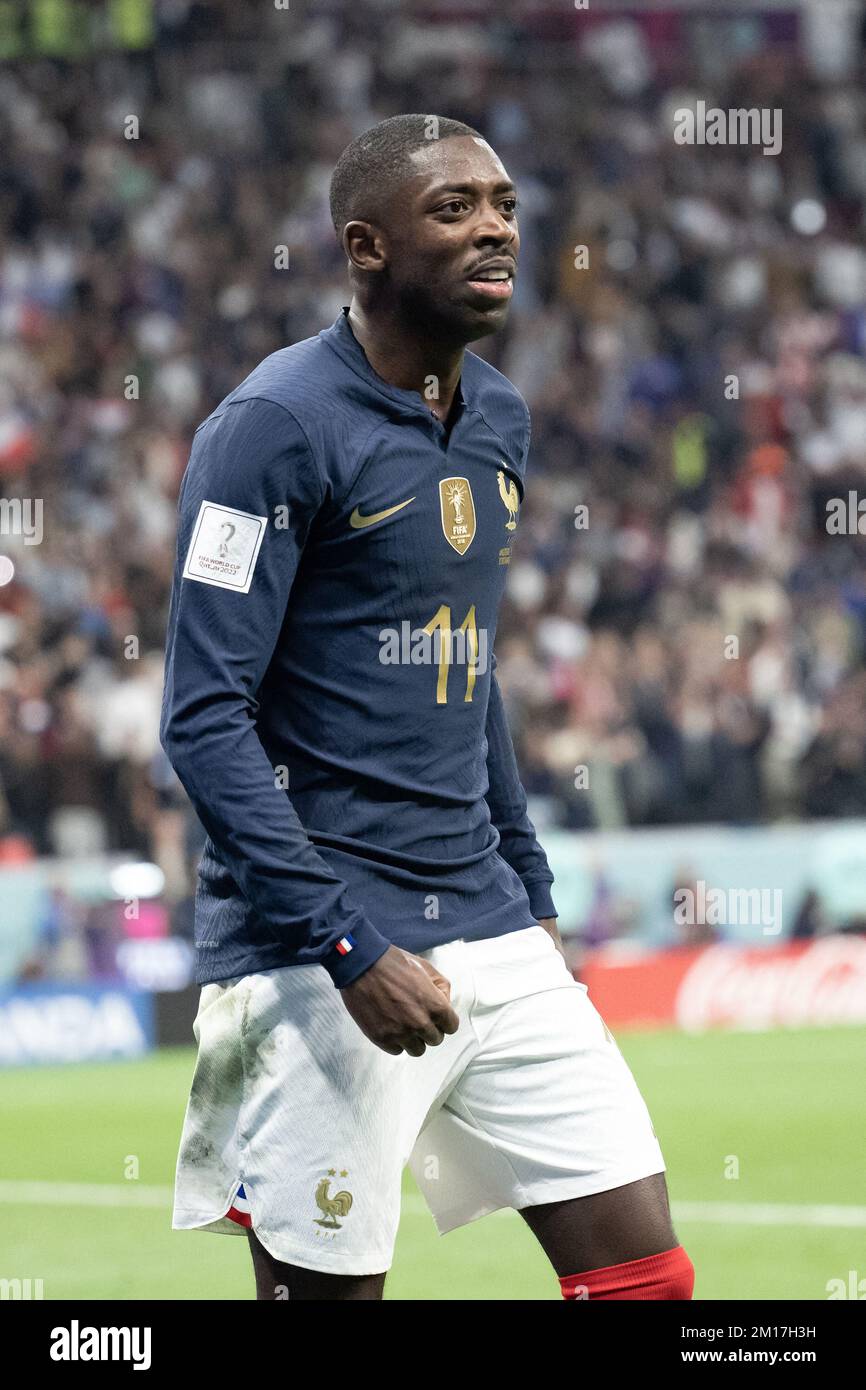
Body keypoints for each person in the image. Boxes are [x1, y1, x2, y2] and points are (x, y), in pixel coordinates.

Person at [160, 113, 693, 1301]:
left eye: (501, 200)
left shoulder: (496, 414)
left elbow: (467, 667)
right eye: (453, 208)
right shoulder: (271, 429)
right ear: (364, 245)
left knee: (648, 1283)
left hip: (493, 923)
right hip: (327, 952)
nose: (495, 224)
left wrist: (531, 887)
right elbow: (202, 715)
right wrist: (343, 940)